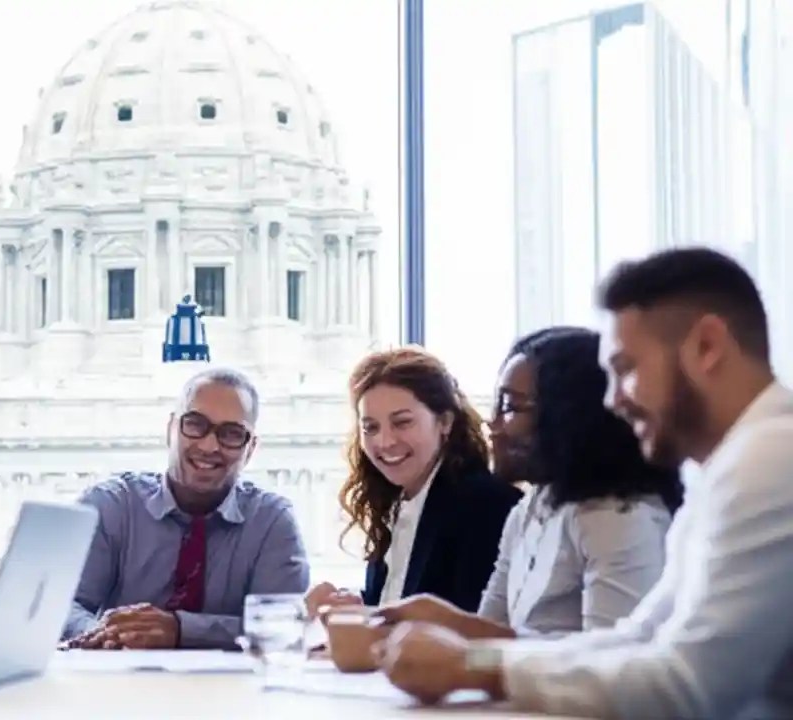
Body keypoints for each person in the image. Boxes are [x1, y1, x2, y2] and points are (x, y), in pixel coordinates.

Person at [377, 247, 793, 719]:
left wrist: (474, 666)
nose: (612, 401)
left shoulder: (770, 459)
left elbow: (684, 686)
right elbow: (636, 639)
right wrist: (468, 655)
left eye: (626, 370)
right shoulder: (730, 468)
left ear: (707, 347)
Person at [377, 327, 682, 639]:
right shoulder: (529, 509)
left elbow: (614, 663)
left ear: (569, 416)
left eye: (510, 407)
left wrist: (450, 625)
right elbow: (486, 638)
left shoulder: (619, 517)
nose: (491, 424)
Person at [62, 367, 309, 650]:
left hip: (233, 692)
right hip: (116, 685)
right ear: (171, 430)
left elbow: (284, 626)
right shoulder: (111, 507)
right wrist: (108, 634)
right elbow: (61, 604)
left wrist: (182, 629)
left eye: (231, 433)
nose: (208, 445)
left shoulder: (271, 522)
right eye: (195, 424)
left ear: (250, 449)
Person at [307, 348, 521, 617]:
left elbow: (473, 626)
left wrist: (371, 620)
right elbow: (399, 605)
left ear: (444, 421)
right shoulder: (396, 503)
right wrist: (355, 609)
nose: (384, 442)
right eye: (370, 427)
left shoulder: (484, 504)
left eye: (402, 423)